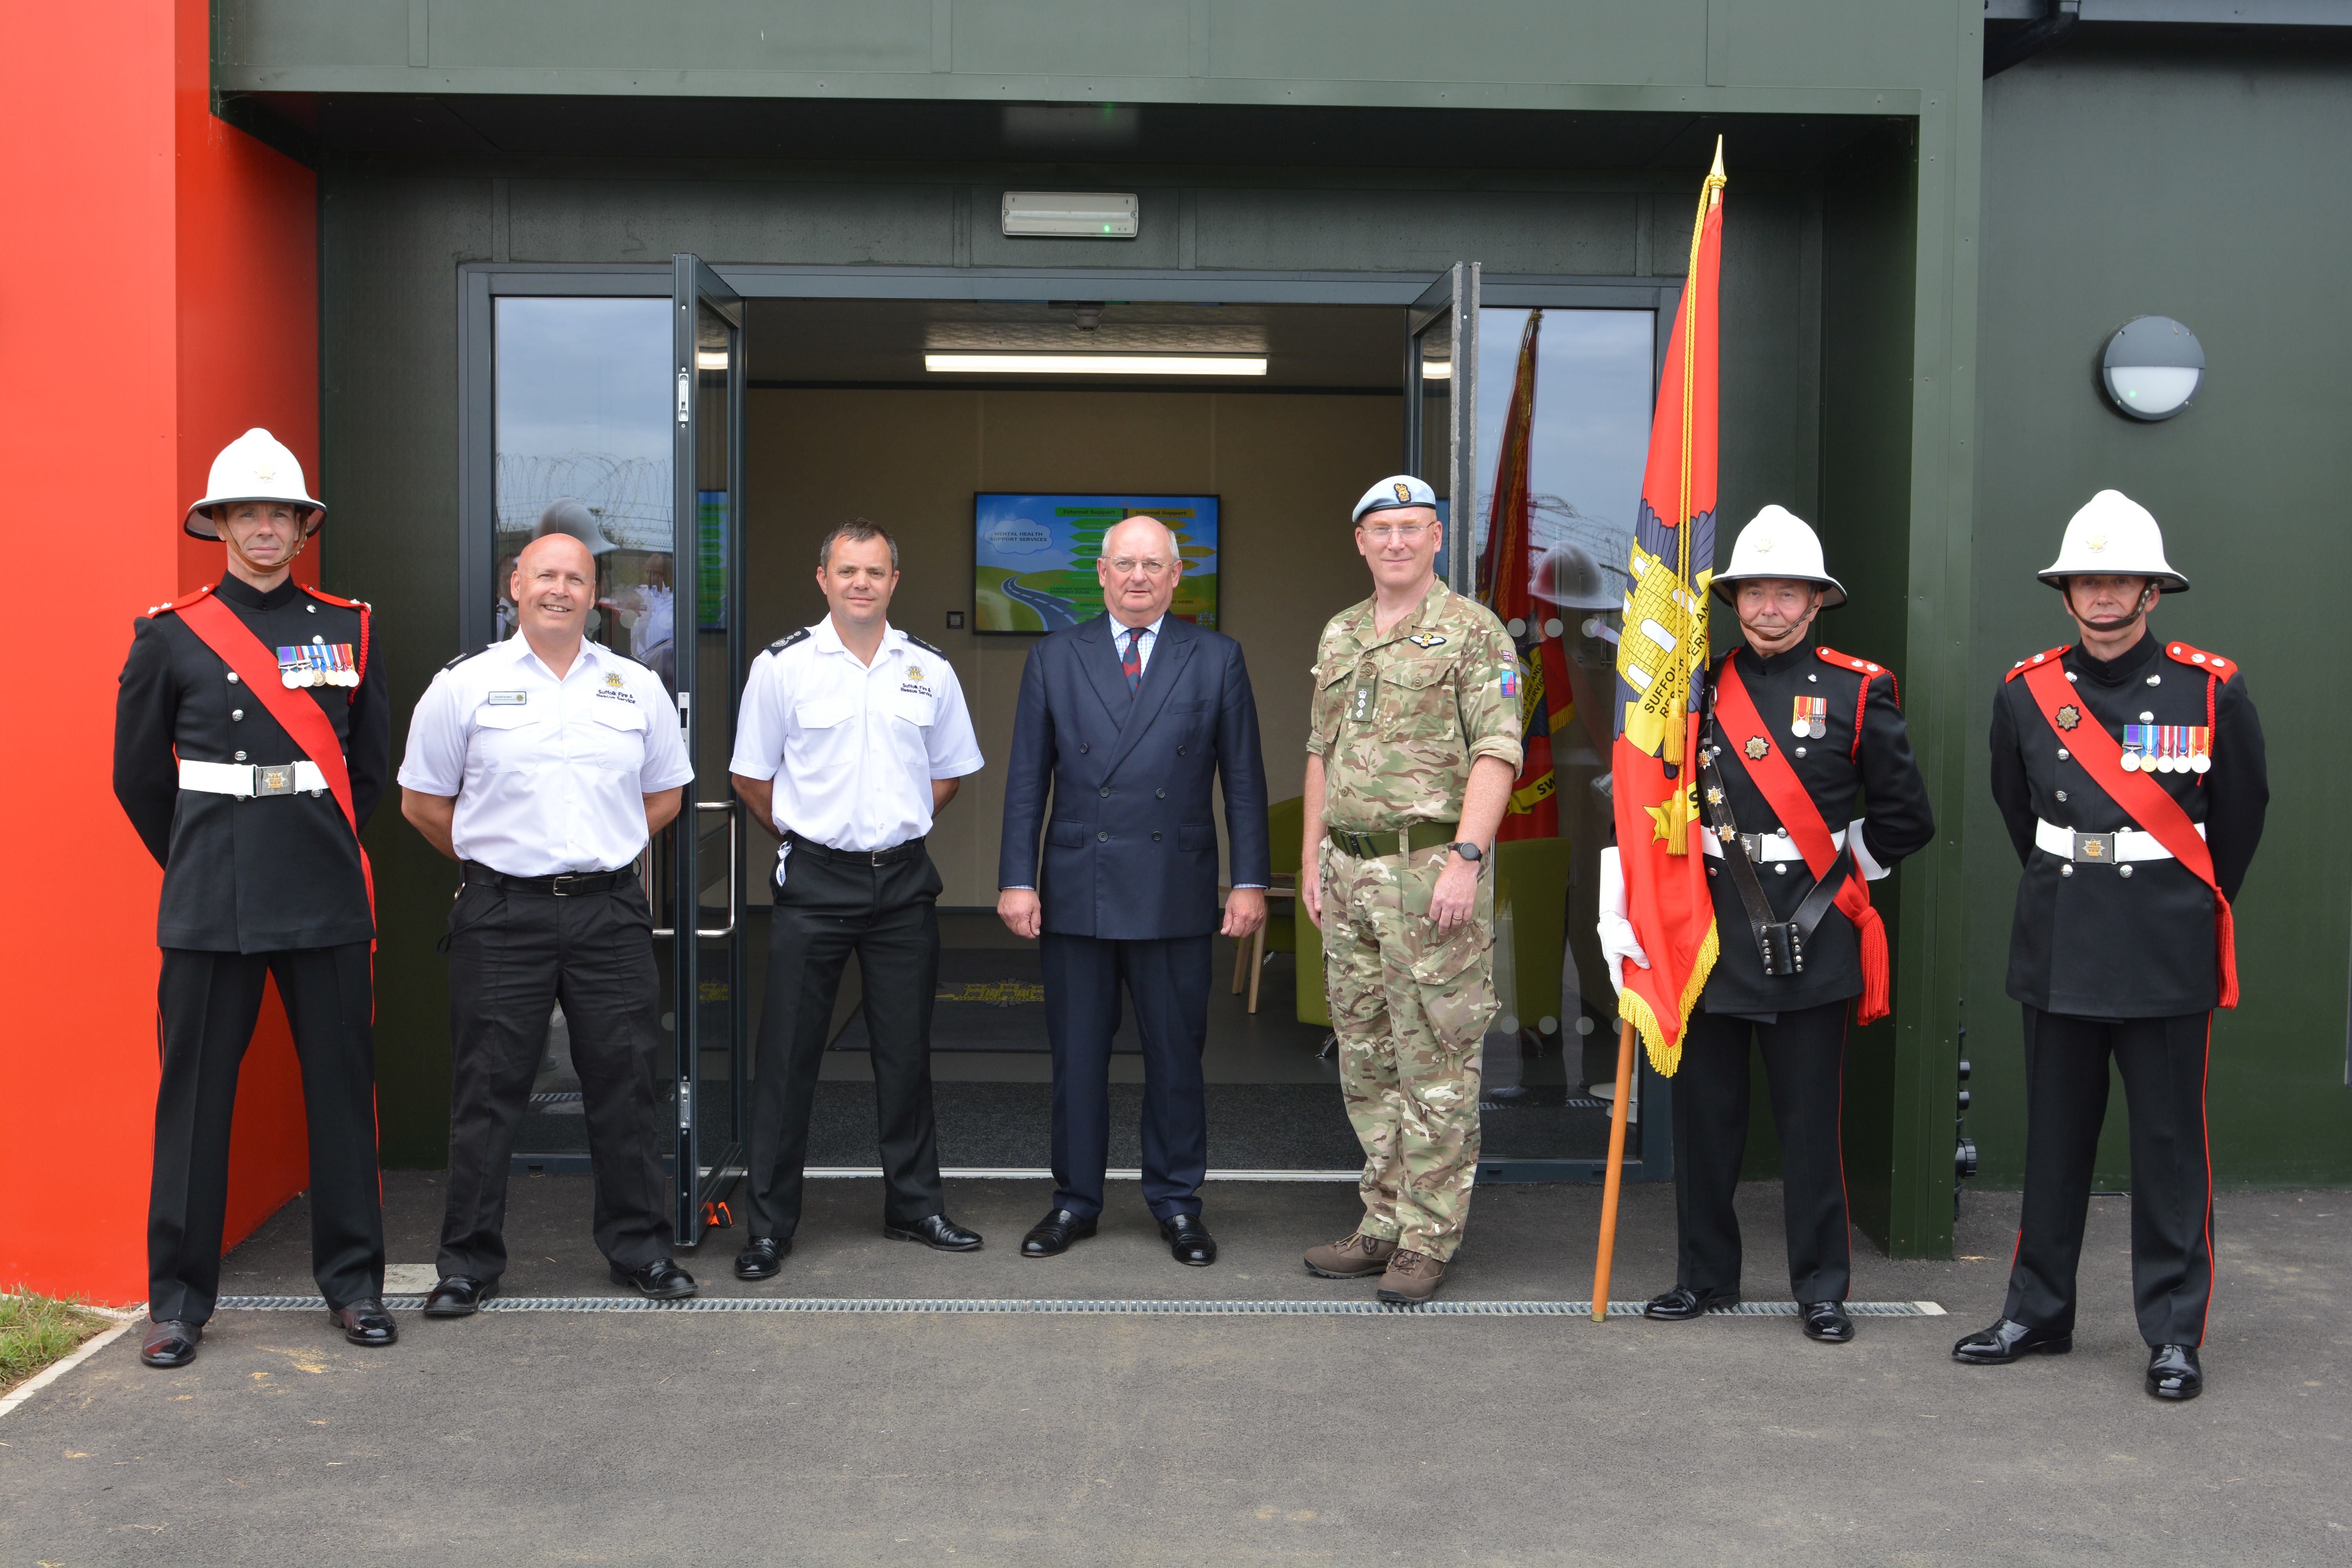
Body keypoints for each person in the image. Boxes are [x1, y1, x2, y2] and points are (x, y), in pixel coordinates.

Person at [1954, 490, 2266, 1401]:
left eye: (2117, 579)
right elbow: (2022, 816)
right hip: (2060, 943)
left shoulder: (2213, 687)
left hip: (2167, 950)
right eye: (2085, 580)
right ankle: (2038, 1310)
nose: (2100, 596)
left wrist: (2179, 904)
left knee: (2170, 1153)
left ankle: (2173, 1332)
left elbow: (2240, 821)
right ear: (2065, 593)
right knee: (2056, 1144)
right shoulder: (2026, 691)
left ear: (2151, 592)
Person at [1602, 505, 1935, 1344]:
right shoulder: (1695, 685)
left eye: (1790, 593)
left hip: (1810, 934)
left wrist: (1838, 876)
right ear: (1734, 600)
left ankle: (1822, 1286)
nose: (1771, 608)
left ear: (1817, 603)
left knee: (1809, 1127)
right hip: (1708, 932)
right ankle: (1704, 1276)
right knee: (1706, 1123)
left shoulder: (1861, 689)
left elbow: (1905, 816)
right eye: (1756, 592)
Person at [113, 427, 394, 1367]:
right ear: (220, 524)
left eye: (281, 512)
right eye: (248, 512)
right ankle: (178, 1302)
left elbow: (371, 768)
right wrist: (197, 857)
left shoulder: (349, 625)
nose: (265, 527)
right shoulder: (169, 634)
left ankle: (355, 1285)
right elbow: (138, 780)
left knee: (341, 1097)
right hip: (212, 899)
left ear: (302, 527)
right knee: (195, 1101)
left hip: (320, 889)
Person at [397, 530, 699, 1310]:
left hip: (609, 910)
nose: (560, 589)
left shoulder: (636, 685)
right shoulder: (464, 684)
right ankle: (466, 1264)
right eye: (546, 576)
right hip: (502, 914)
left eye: (575, 577)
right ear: (516, 584)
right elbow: (423, 802)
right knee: (487, 1091)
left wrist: (607, 843)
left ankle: (641, 1250)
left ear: (595, 592)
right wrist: (492, 859)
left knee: (628, 1085)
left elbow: (666, 793)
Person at [997, 516, 1270, 1266]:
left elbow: (1243, 783)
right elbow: (1028, 781)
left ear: (1178, 576)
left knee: (1177, 1057)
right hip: (1077, 885)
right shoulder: (1055, 656)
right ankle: (1074, 1202)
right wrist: (1018, 878)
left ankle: (1178, 1203)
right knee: (1077, 1059)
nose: (1139, 577)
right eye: (1125, 564)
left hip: (1176, 889)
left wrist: (1249, 881)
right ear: (1102, 574)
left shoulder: (1216, 658)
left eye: (1154, 565)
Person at [727, 519, 987, 1279]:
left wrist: (888, 828)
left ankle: (915, 1206)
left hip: (903, 882)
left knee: (905, 1054)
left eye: (875, 571)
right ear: (823, 578)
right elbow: (751, 775)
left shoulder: (929, 670)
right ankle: (770, 1227)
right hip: (814, 883)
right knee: (788, 1059)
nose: (862, 583)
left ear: (894, 581)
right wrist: (815, 835)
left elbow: (948, 773)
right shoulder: (783, 667)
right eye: (848, 571)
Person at [1299, 475, 1520, 1303]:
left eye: (1412, 528)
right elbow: (1319, 748)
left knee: (1435, 1057)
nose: (1396, 541)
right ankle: (1382, 1218)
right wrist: (1313, 856)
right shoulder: (1343, 630)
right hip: (1350, 873)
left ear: (1436, 538)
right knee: (1368, 1057)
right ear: (1361, 541)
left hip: (1431, 874)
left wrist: (1466, 857)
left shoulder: (1474, 633)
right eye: (1381, 529)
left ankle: (1430, 1235)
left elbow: (1498, 751)